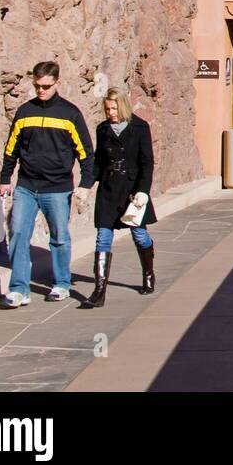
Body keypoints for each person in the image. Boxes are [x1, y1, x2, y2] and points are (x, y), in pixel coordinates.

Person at [0, 61, 94, 307]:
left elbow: (86, 152)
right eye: (37, 86)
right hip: (26, 186)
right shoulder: (24, 112)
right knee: (18, 233)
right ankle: (19, 289)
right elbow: (12, 149)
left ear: (57, 83)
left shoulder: (70, 114)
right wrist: (4, 179)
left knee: (59, 236)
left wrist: (85, 183)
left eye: (46, 86)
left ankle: (61, 283)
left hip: (58, 187)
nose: (41, 90)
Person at [80, 88, 157, 308]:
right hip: (109, 188)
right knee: (103, 237)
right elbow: (98, 162)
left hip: (132, 189)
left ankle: (148, 273)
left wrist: (143, 190)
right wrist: (86, 186)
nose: (111, 113)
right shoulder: (102, 129)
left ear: (122, 105)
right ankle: (99, 290)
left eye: (114, 108)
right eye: (107, 109)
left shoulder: (140, 127)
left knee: (139, 235)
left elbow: (147, 162)